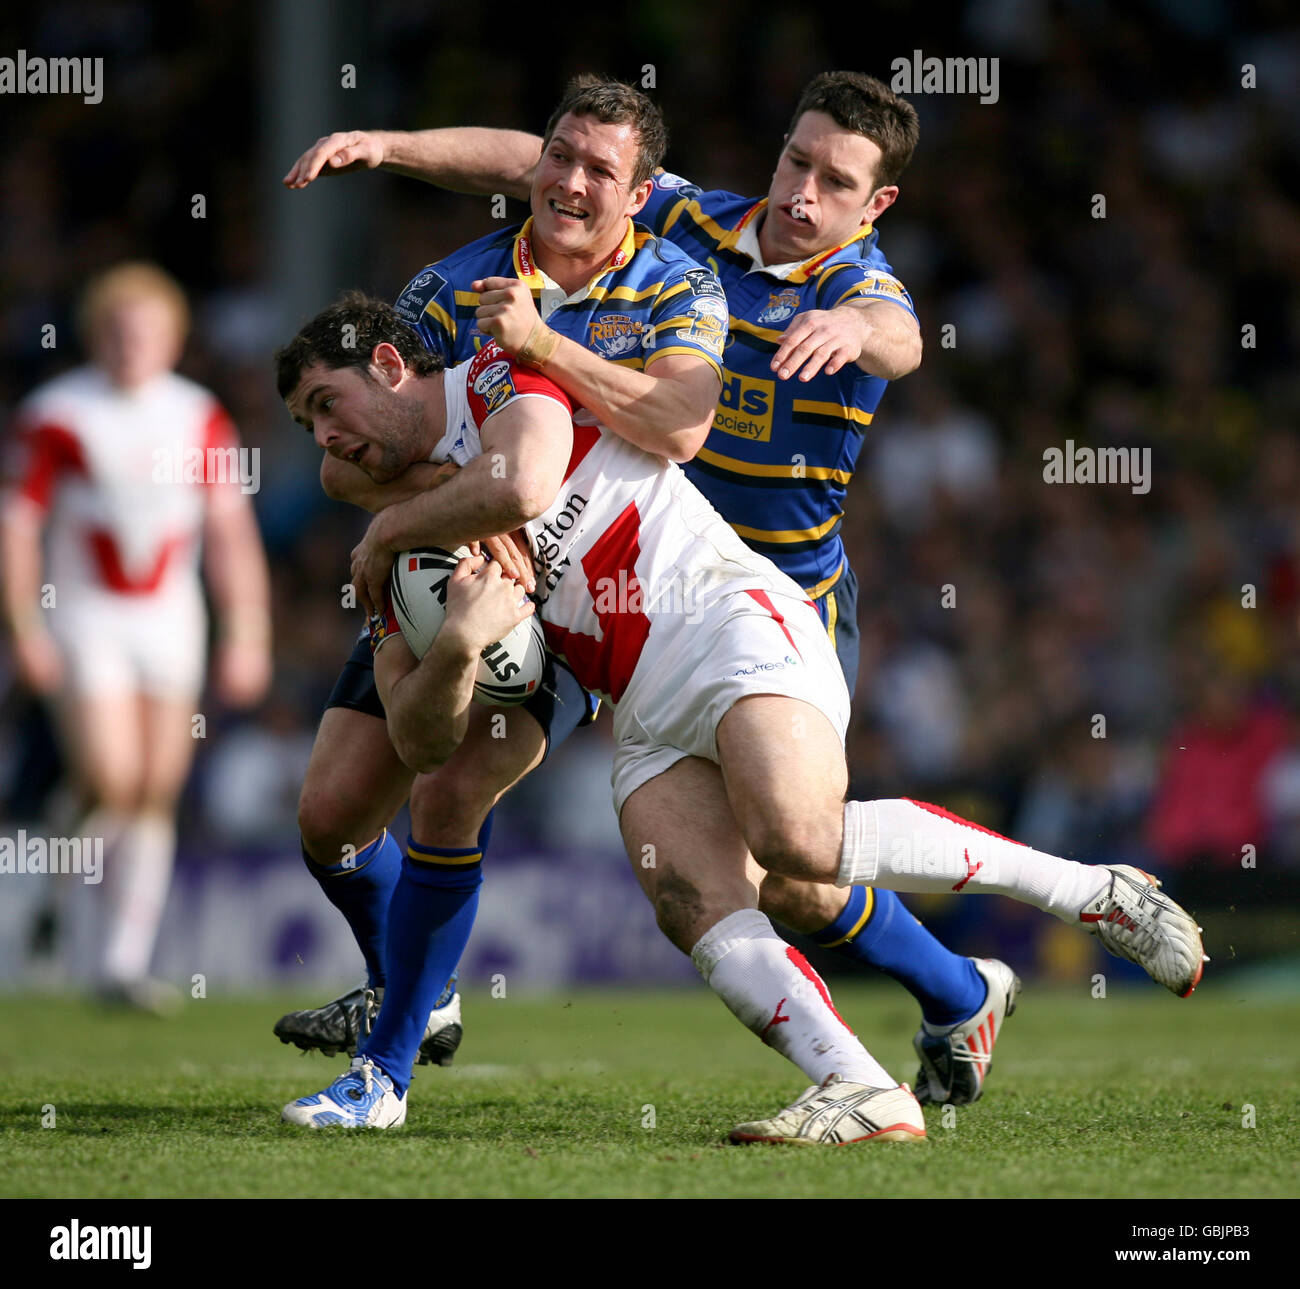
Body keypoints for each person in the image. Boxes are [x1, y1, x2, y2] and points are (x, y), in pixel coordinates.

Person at [274, 299, 1205, 1141]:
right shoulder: (392, 557)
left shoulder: (496, 374)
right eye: (305, 424)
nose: (325, 439)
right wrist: (459, 647)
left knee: (797, 837)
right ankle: (861, 1087)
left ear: (392, 365)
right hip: (637, 698)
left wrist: (395, 524)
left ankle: (1090, 889)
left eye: (328, 404)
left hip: (719, 615)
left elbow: (519, 483)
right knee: (692, 895)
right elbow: (418, 739)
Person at [279, 75, 1010, 1108]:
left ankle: (958, 986)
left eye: (833, 179)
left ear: (874, 202)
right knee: (386, 800)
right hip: (570, 580)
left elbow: (897, 339)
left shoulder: (829, 282)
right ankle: (402, 1032)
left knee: (794, 871)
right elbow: (370, 425)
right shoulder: (658, 223)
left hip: (757, 595)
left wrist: (853, 334)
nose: (802, 193)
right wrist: (389, 143)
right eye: (795, 160)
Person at [1, 262, 272, 1009]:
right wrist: (25, 623)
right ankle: (56, 894)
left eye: (147, 331)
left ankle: (119, 962)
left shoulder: (198, 415)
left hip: (169, 617)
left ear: (175, 338)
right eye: (118, 331)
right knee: (115, 775)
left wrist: (246, 633)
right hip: (85, 614)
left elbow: (229, 534)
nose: (132, 344)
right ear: (96, 336)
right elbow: (18, 527)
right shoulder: (59, 413)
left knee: (155, 787)